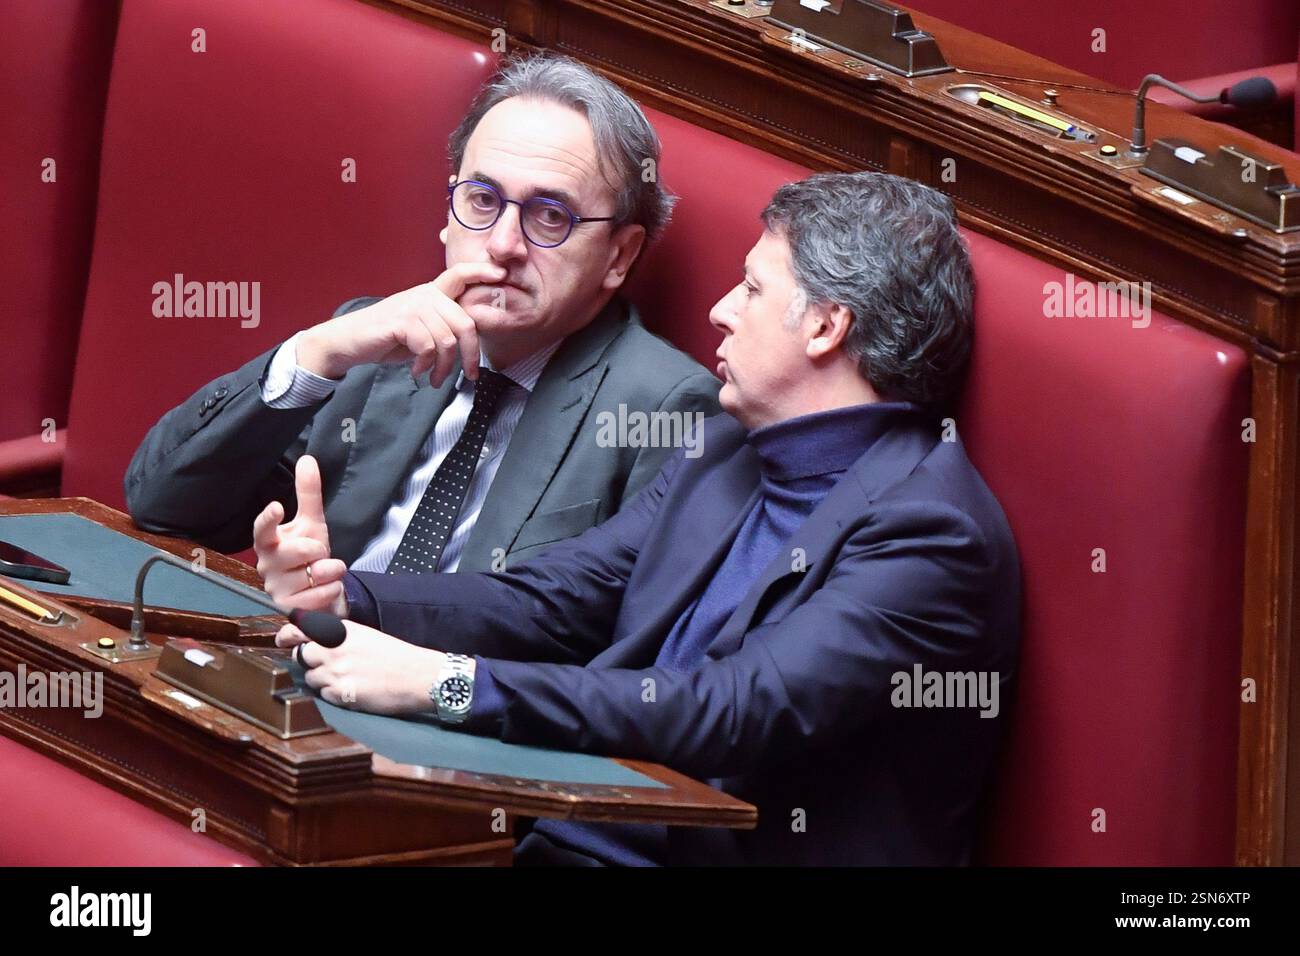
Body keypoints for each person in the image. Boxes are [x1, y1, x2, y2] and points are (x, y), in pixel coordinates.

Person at [258, 171, 1021, 866]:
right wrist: (350, 598)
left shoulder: (933, 534)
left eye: (752, 291)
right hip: (560, 838)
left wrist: (448, 684)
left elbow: (732, 710)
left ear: (826, 327)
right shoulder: (729, 446)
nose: (720, 313)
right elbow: (554, 599)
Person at [125, 54, 720, 575]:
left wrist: (355, 609)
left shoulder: (663, 406)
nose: (503, 244)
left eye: (549, 216)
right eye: (482, 201)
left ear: (619, 255)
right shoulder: (371, 346)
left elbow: (600, 641)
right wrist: (314, 355)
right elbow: (164, 507)